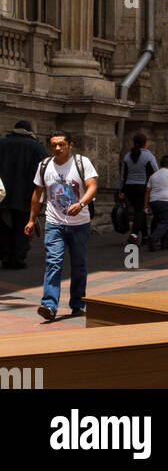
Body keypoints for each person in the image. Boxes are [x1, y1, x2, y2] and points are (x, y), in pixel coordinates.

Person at [26, 132, 98, 322]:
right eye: (54, 145)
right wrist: (32, 219)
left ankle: (77, 304)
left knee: (79, 265)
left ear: (70, 145)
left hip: (80, 224)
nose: (57, 148)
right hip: (54, 223)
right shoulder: (44, 166)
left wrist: (81, 203)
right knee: (53, 262)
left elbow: (92, 186)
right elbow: (37, 194)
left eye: (61, 144)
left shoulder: (82, 163)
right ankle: (49, 305)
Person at [0, 119, 47, 269]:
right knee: (24, 226)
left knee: (4, 225)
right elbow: (46, 170)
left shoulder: (2, 144)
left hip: (3, 195)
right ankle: (18, 258)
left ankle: (6, 256)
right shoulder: (36, 146)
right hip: (28, 195)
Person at [119, 132, 159, 246]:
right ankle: (134, 235)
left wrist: (121, 190)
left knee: (138, 211)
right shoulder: (148, 156)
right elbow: (156, 172)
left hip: (129, 188)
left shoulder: (127, 156)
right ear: (145, 143)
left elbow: (123, 175)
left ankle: (145, 236)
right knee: (141, 211)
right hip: (143, 187)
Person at [145, 154, 168, 251]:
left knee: (158, 220)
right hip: (164, 201)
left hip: (153, 202)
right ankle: (153, 238)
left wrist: (146, 205)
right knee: (165, 222)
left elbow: (148, 191)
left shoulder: (154, 175)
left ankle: (165, 243)